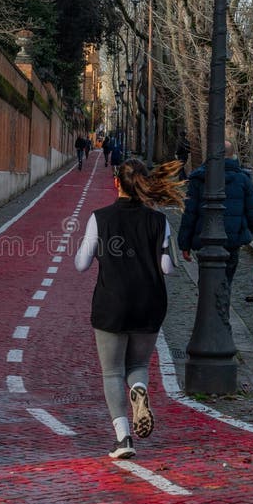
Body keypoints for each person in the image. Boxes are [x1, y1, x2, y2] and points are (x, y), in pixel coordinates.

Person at [75, 158, 185, 459]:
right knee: (137, 365)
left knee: (112, 372)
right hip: (150, 303)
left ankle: (123, 439)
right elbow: (168, 268)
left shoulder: (101, 218)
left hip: (112, 303)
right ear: (144, 184)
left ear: (116, 184)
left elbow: (81, 264)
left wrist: (99, 249)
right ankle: (139, 388)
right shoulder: (158, 220)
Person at [177, 139, 253, 289]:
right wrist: (245, 230)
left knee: (206, 284)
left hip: (204, 240)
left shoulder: (199, 179)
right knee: (226, 282)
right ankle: (223, 308)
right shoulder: (243, 179)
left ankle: (209, 307)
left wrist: (185, 244)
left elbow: (190, 213)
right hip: (232, 240)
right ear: (232, 155)